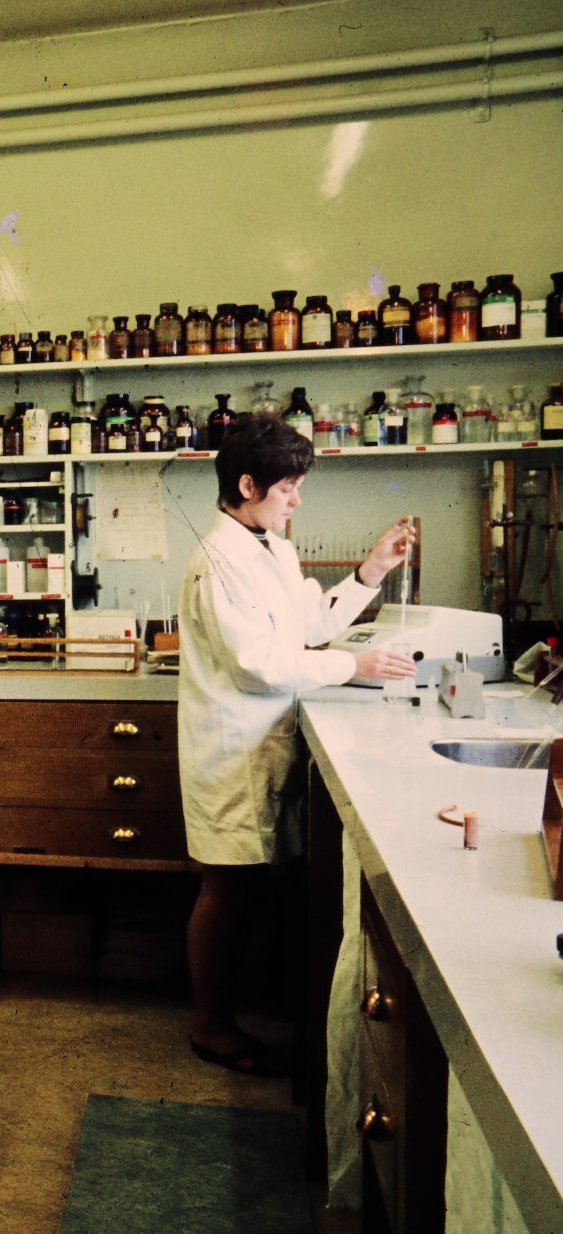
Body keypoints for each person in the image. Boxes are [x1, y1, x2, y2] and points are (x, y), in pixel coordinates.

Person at [177, 414, 415, 1075]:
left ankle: (233, 1013)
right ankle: (209, 1025)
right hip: (231, 747)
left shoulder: (272, 549)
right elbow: (258, 662)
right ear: (248, 485)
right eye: (288, 488)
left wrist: (370, 571)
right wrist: (353, 667)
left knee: (250, 886)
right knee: (225, 887)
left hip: (263, 741)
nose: (298, 500)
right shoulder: (216, 561)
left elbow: (312, 623)